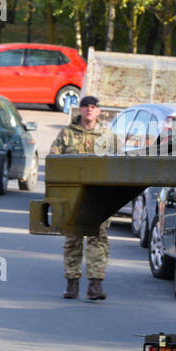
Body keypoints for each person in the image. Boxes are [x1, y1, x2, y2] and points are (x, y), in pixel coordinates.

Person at [51, 95, 118, 300]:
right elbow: (54, 160)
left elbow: (118, 164)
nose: (89, 110)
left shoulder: (108, 136)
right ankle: (72, 283)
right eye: (85, 107)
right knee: (73, 239)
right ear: (79, 110)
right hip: (73, 195)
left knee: (98, 238)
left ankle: (95, 285)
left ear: (98, 111)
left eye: (93, 107)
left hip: (99, 195)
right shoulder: (67, 134)